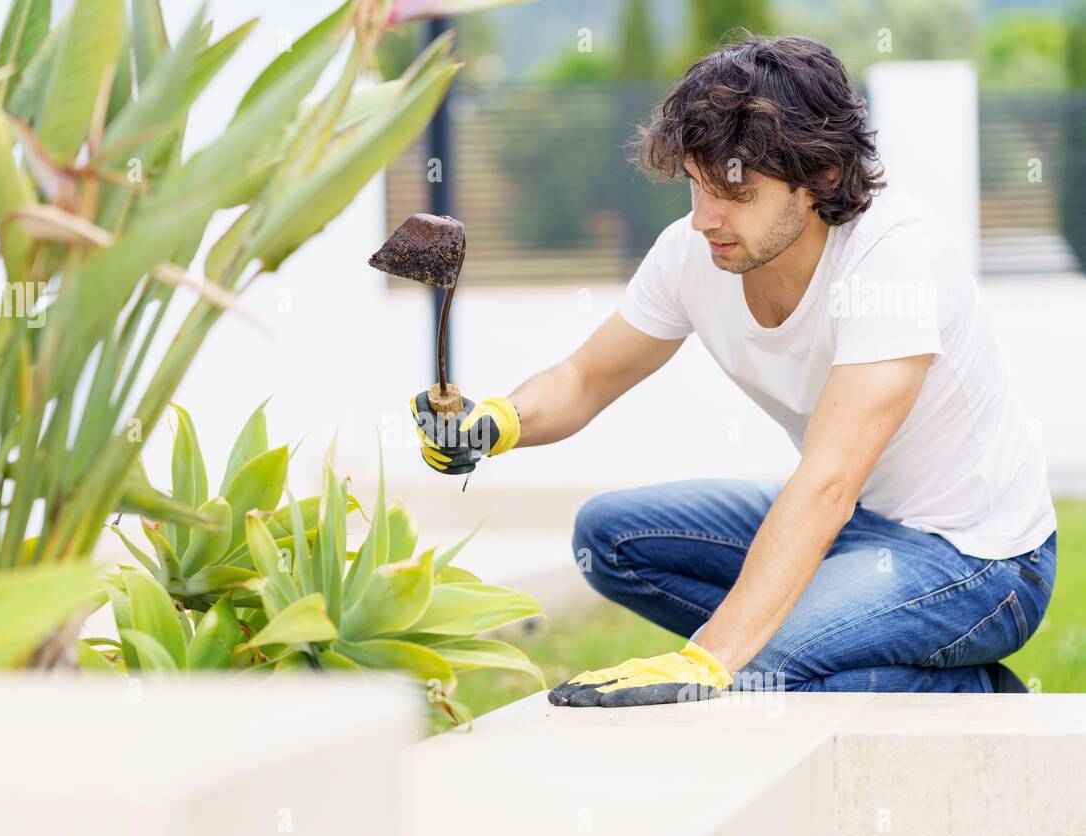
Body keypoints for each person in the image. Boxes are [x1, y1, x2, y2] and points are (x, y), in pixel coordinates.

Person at [409, 35, 1056, 706]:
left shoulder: (893, 259)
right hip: (857, 530)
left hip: (978, 558)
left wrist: (711, 656)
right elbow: (585, 378)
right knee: (607, 537)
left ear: (823, 177)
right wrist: (496, 424)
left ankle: (974, 692)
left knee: (754, 669)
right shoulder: (695, 253)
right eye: (696, 183)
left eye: (735, 191)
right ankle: (823, 651)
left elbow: (827, 485)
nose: (705, 217)